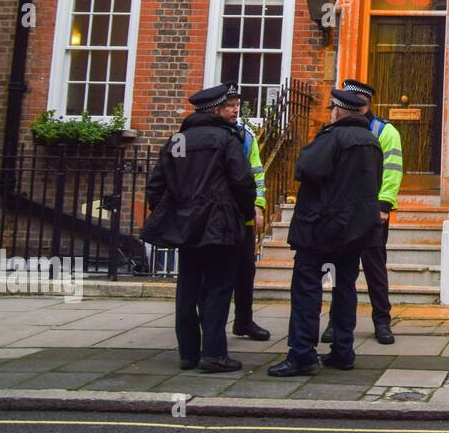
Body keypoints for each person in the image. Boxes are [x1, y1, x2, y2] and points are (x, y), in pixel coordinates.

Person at [142, 83, 258, 373]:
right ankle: (214, 354)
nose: (232, 111)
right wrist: (244, 212)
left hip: (186, 225)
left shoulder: (178, 139)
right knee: (218, 289)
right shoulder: (226, 139)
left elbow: (156, 185)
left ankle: (188, 354)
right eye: (228, 106)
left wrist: (173, 211)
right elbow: (243, 182)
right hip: (220, 226)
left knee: (188, 288)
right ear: (216, 110)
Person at [268, 88, 385, 377]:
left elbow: (305, 169)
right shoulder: (371, 141)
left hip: (322, 230)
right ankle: (343, 351)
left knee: (308, 290)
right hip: (355, 232)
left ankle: (302, 355)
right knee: (344, 289)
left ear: (337, 110)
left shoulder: (333, 137)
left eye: (331, 107)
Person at [320, 78, 401, 346]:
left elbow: (392, 171)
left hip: (371, 213)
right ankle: (337, 321)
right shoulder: (332, 129)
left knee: (375, 269)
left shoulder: (385, 130)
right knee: (342, 271)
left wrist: (384, 205)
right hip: (343, 212)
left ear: (365, 104)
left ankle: (382, 321)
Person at [230, 102, 271, 342]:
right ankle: (209, 324)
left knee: (246, 272)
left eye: (236, 105)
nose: (235, 110)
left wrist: (259, 205)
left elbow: (257, 173)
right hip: (217, 219)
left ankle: (244, 320)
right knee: (216, 276)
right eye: (228, 106)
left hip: (243, 217)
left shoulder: (246, 137)